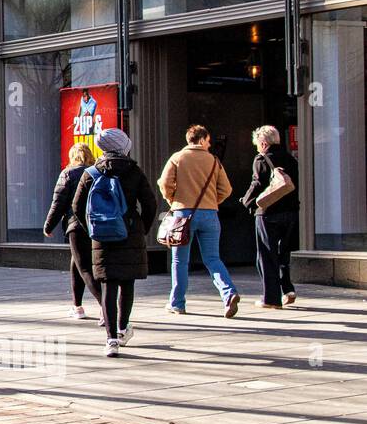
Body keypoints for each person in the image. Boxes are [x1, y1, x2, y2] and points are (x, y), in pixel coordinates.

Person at [71, 128, 157, 358]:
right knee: (127, 285)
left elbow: (77, 206)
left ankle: (110, 340)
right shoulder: (134, 171)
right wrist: (141, 228)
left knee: (109, 286)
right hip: (130, 233)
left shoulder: (91, 172)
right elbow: (150, 204)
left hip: (103, 235)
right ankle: (121, 329)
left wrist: (92, 228)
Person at [158, 124, 240, 318]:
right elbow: (226, 189)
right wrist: (212, 201)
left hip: (182, 214)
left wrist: (173, 200)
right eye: (209, 141)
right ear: (202, 140)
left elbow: (164, 183)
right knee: (213, 258)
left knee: (179, 261)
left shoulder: (177, 158)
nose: (209, 145)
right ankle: (228, 293)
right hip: (210, 214)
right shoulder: (213, 161)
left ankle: (177, 303)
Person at [240, 125, 300, 309]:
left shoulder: (261, 159)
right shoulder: (291, 159)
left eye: (258, 144)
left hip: (268, 214)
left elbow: (257, 183)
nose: (257, 147)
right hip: (290, 212)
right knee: (284, 253)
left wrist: (246, 201)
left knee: (266, 255)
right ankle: (288, 289)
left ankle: (271, 298)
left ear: (264, 143)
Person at [43, 142, 101, 320]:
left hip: (76, 226)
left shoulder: (68, 174)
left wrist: (48, 226)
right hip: (96, 225)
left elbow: (58, 203)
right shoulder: (97, 173)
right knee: (76, 264)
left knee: (84, 267)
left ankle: (105, 306)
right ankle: (77, 307)